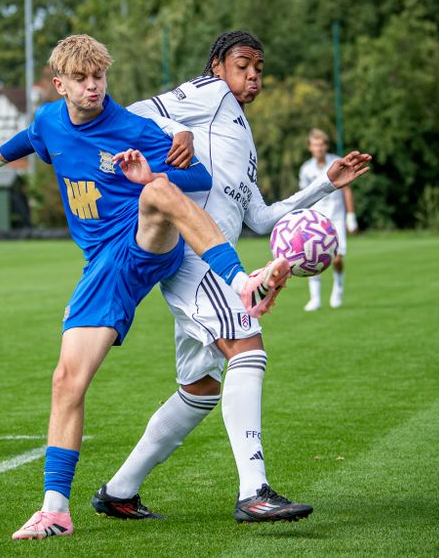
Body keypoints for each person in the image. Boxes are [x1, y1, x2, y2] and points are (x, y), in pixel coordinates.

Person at [0, 34, 287, 540]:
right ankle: (55, 511)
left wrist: (157, 169)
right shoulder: (50, 120)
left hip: (147, 243)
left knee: (157, 190)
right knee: (67, 380)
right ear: (60, 84)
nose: (93, 88)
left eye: (100, 78)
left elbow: (196, 182)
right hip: (104, 269)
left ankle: (241, 280)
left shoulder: (135, 128)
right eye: (83, 80)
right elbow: (28, 138)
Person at [88, 31, 372, 523]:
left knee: (200, 390)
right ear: (217, 65)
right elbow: (132, 111)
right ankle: (254, 491)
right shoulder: (210, 93)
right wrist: (180, 134)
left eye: (260, 68)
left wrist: (325, 184)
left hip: (210, 260)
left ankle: (119, 490)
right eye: (244, 64)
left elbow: (260, 219)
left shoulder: (241, 133)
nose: (253, 75)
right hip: (197, 259)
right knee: (248, 347)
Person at [299, 128, 358, 311]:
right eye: (316, 145)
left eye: (322, 144)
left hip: (336, 217)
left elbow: (347, 190)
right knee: (310, 257)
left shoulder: (336, 163)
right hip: (315, 220)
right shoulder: (306, 169)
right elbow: (304, 195)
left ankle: (338, 287)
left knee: (338, 258)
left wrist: (351, 216)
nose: (319, 148)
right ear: (310, 147)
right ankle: (315, 298)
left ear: (326, 146)